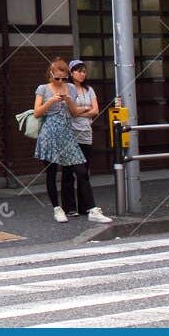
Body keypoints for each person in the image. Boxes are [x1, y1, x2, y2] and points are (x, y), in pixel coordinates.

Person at [33, 58, 106, 224]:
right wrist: (51, 100)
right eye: (56, 78)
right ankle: (57, 208)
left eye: (63, 78)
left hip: (67, 132)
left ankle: (92, 209)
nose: (60, 81)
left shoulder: (71, 88)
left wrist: (68, 100)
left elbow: (73, 112)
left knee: (81, 170)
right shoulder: (43, 89)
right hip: (49, 132)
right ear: (51, 75)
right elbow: (37, 112)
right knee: (51, 173)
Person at [61, 61, 110, 222]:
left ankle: (83, 206)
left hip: (86, 134)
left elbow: (95, 110)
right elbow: (70, 112)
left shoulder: (89, 90)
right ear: (71, 73)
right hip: (70, 134)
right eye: (79, 71)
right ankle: (70, 207)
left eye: (84, 71)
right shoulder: (67, 89)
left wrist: (79, 111)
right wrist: (84, 110)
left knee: (84, 171)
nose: (82, 74)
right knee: (70, 171)